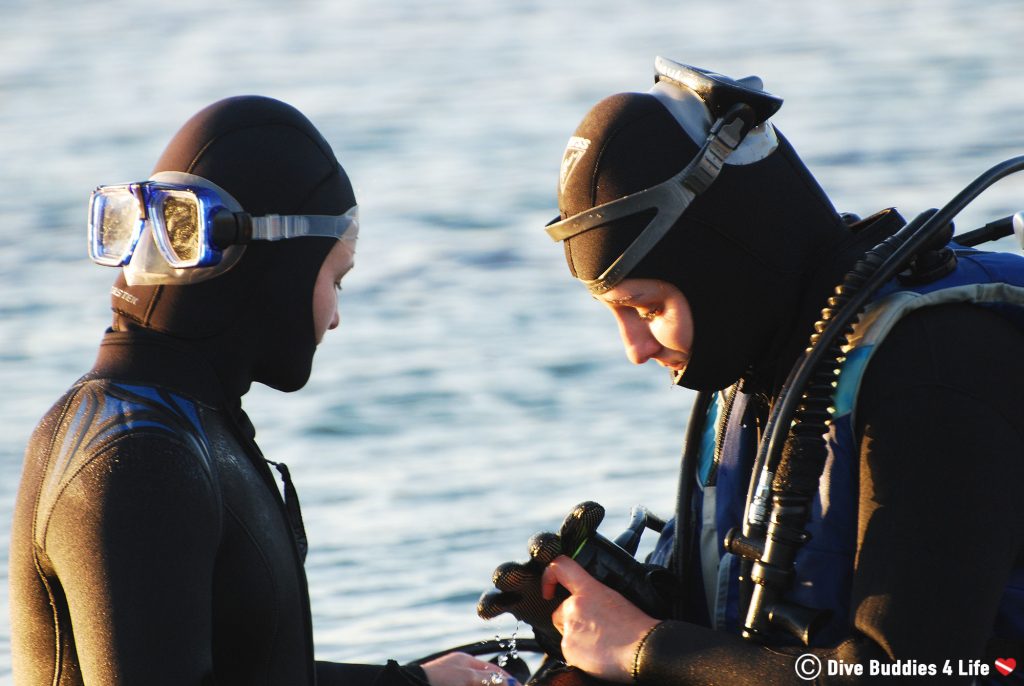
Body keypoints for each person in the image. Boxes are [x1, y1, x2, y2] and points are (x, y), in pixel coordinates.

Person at [479, 59, 1024, 684]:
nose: (634, 348)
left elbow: (917, 673)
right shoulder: (768, 366)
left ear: (727, 266)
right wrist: (605, 620)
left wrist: (645, 648)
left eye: (647, 308)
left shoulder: (938, 372)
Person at [9, 95, 512, 686]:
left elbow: (247, 670)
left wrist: (413, 684)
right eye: (336, 280)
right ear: (280, 272)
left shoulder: (164, 420)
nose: (335, 316)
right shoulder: (137, 456)